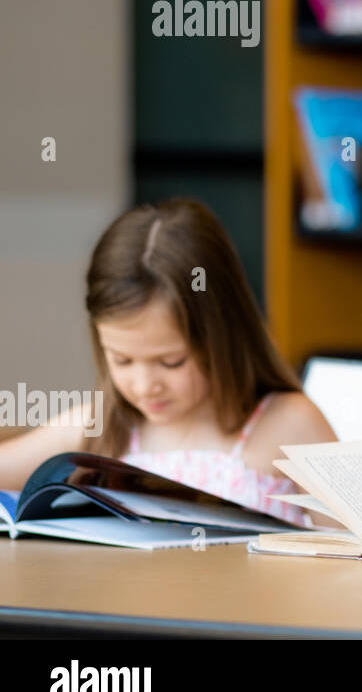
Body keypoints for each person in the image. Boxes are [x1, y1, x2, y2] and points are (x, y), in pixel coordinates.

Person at [0, 199, 335, 525]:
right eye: (122, 360)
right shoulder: (99, 425)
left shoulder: (289, 424)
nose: (146, 386)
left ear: (223, 337)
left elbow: (360, 549)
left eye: (171, 361)